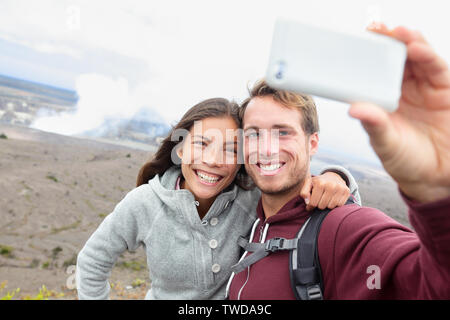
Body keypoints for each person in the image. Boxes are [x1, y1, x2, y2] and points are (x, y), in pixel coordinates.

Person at [227, 24, 450, 300]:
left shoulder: (342, 228)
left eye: (283, 132)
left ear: (313, 143)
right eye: (254, 134)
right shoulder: (246, 217)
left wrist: (438, 196)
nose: (267, 148)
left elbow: (431, 286)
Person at [76, 97, 360, 300]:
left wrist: (337, 177)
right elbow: (92, 260)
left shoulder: (251, 197)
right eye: (201, 143)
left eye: (230, 150)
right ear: (180, 149)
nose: (212, 161)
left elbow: (333, 195)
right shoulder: (144, 203)